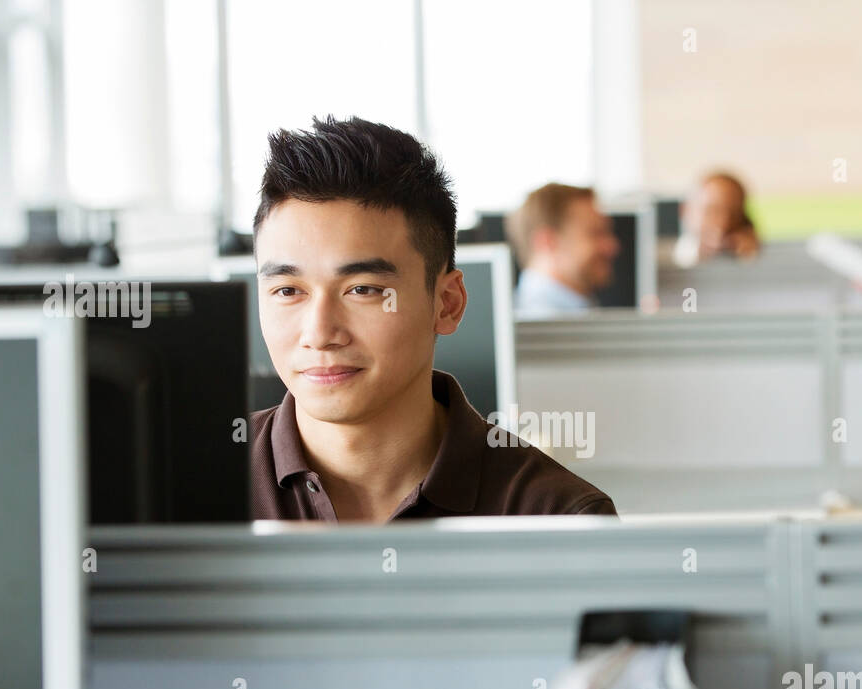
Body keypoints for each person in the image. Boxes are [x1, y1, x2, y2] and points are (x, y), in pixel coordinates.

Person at [249, 116, 617, 522]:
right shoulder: (184, 484)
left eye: (363, 290)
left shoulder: (557, 519)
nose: (319, 334)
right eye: (287, 291)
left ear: (447, 303)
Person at [507, 183, 620, 318]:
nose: (612, 247)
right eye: (595, 233)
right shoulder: (536, 324)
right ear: (547, 242)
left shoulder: (579, 312)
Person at [673, 171, 761, 268]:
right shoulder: (678, 250)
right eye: (712, 211)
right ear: (685, 210)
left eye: (734, 213)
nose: (723, 223)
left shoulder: (750, 246)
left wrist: (750, 254)